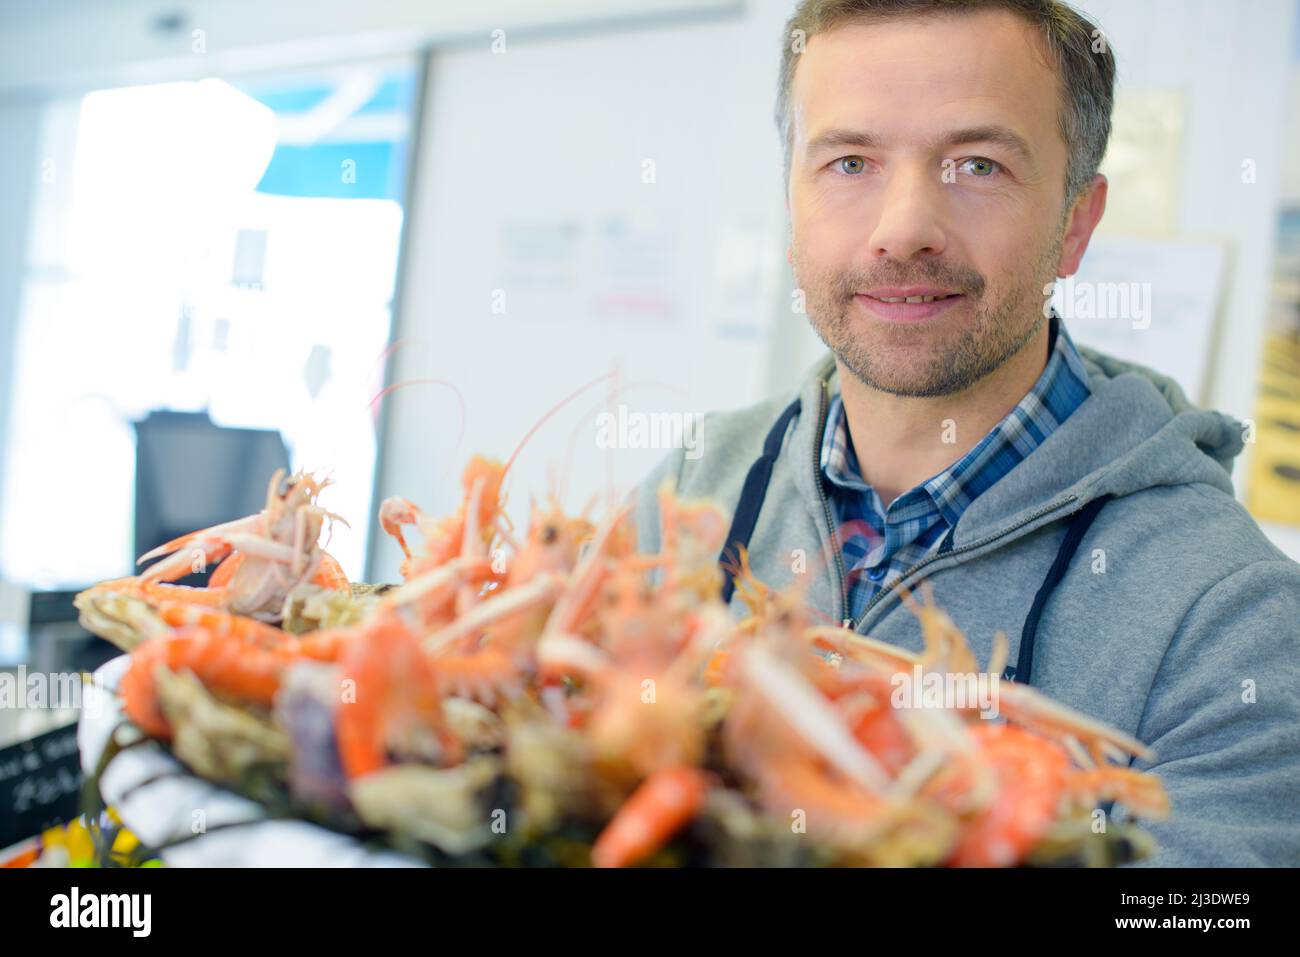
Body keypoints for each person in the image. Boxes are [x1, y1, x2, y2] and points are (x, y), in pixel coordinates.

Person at [634, 0, 1300, 867]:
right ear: (791, 204)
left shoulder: (1234, 615)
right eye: (850, 162)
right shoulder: (686, 489)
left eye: (976, 164)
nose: (904, 229)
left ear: (1076, 223)